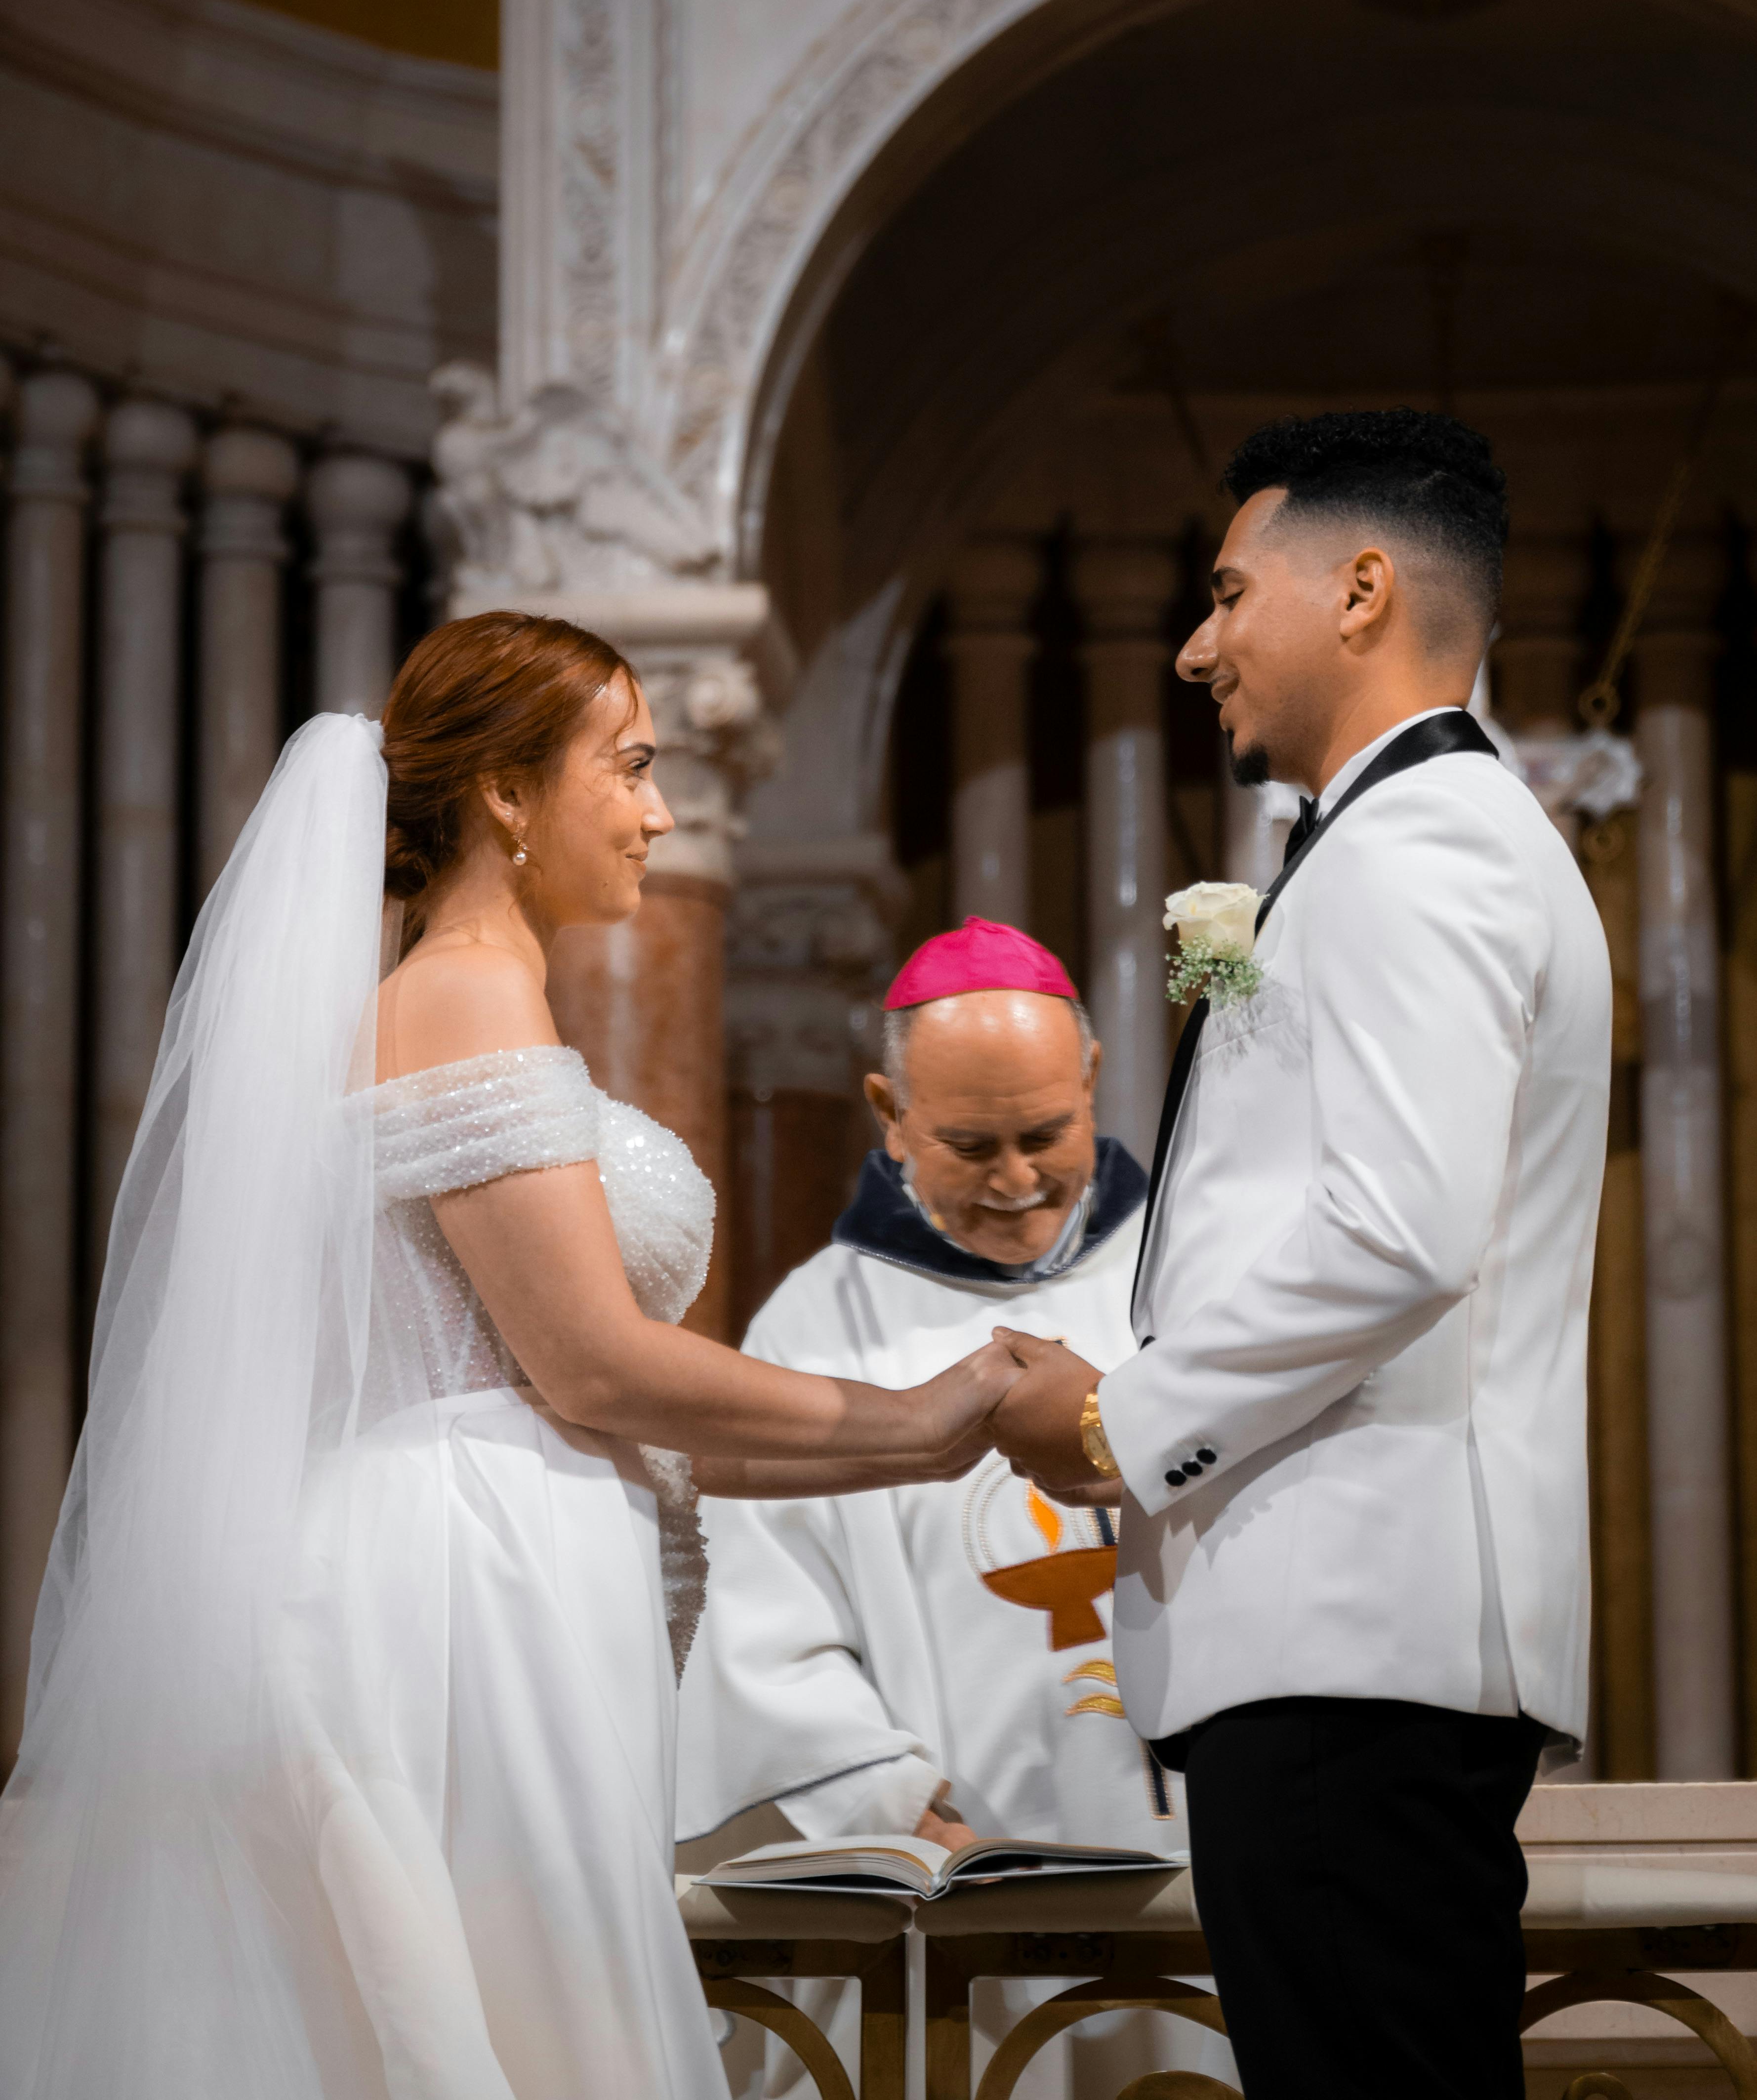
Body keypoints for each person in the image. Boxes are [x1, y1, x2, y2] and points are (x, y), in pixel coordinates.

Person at [0, 612, 1021, 2100]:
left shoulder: (465, 994)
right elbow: (594, 1367)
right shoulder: (468, 988)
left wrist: (923, 1438)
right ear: (504, 793)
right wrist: (912, 1414)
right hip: (468, 1591)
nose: (659, 812)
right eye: (631, 766)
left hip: (493, 1550)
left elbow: (598, 1401)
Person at [989, 410, 1611, 2099]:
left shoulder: (1421, 845)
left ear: (1357, 590)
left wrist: (1120, 1417)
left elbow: (1398, 1230)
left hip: (1350, 1636)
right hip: (1347, 1639)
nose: (1193, 648)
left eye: (1222, 594)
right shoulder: (1405, 838)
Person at [680, 918, 1235, 2096]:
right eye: (971, 1146)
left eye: (1046, 1135)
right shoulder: (817, 1330)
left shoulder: (1196, 1272)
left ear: (1092, 1080)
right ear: (890, 1112)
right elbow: (759, 1618)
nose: (1018, 1181)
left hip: (1224, 1836)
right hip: (958, 1874)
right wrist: (890, 1801)